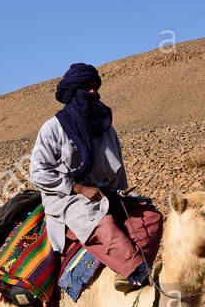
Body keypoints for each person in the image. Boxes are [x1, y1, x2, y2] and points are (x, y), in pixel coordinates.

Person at [29, 62, 150, 292]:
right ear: (74, 91)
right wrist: (77, 188)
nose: (93, 93)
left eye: (95, 87)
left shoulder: (105, 126)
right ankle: (137, 272)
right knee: (99, 220)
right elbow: (38, 172)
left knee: (149, 216)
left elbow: (116, 166)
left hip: (104, 191)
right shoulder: (53, 128)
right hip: (66, 197)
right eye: (87, 88)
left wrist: (120, 195)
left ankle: (129, 267)